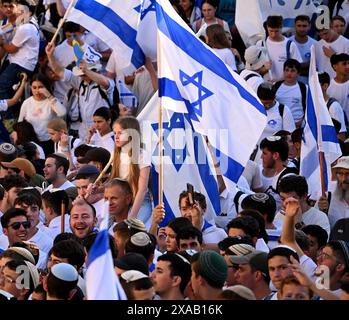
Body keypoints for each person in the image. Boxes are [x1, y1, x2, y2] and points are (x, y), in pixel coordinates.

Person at [45, 42, 115, 139]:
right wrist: (50, 56)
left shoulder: (105, 82)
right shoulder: (80, 82)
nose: (81, 77)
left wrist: (86, 70)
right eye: (80, 74)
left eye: (84, 74)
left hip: (102, 132)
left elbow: (105, 83)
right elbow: (60, 71)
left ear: (95, 70)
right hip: (84, 132)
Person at [109, 116, 152, 227]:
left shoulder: (142, 155)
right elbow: (113, 182)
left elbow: (142, 190)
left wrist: (131, 217)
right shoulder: (115, 154)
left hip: (140, 203)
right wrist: (97, 190)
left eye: (120, 133)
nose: (116, 137)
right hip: (121, 201)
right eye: (115, 133)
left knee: (131, 231)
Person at [18, 73, 66, 156]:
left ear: (46, 87)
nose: (37, 91)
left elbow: (62, 112)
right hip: (32, 143)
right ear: (30, 88)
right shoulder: (27, 102)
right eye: (34, 87)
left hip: (49, 141)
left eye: (40, 87)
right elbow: (20, 123)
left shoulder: (51, 101)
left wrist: (48, 95)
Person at [0, 0, 40, 100]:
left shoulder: (25, 28)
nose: (17, 13)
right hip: (24, 63)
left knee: (1, 86)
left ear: (29, 13)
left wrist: (1, 42)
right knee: (9, 89)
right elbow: (12, 25)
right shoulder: (30, 22)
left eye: (21, 11)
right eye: (17, 10)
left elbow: (11, 49)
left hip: (20, 64)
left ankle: (7, 115)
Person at [257, 15, 302, 83]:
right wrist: (264, 69)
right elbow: (255, 70)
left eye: (276, 31)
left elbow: (298, 68)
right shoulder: (260, 44)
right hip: (266, 86)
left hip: (285, 85)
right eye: (271, 31)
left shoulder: (290, 45)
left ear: (281, 28)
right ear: (267, 28)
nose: (273, 34)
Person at [274, 59, 307, 127]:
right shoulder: (275, 86)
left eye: (292, 71)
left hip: (298, 126)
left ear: (298, 73)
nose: (289, 73)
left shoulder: (304, 88)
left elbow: (309, 108)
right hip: (279, 125)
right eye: (287, 70)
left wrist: (302, 121)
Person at [319, 156, 349, 228]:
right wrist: (321, 212)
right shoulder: (327, 195)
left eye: (348, 174)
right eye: (340, 174)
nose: (343, 179)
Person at [318, 71, 347, 142]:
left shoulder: (334, 107)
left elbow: (341, 136)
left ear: (325, 86)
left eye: (315, 85)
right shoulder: (311, 104)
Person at [289, 15, 318, 84]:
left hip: (310, 84)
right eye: (299, 26)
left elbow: (315, 67)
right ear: (295, 26)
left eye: (304, 26)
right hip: (292, 84)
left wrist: (297, 67)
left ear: (309, 26)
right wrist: (307, 65)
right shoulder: (288, 43)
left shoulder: (315, 44)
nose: (301, 29)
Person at [327, 53, 349, 123]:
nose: (348, 66)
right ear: (335, 66)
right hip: (338, 129)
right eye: (344, 64)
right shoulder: (328, 87)